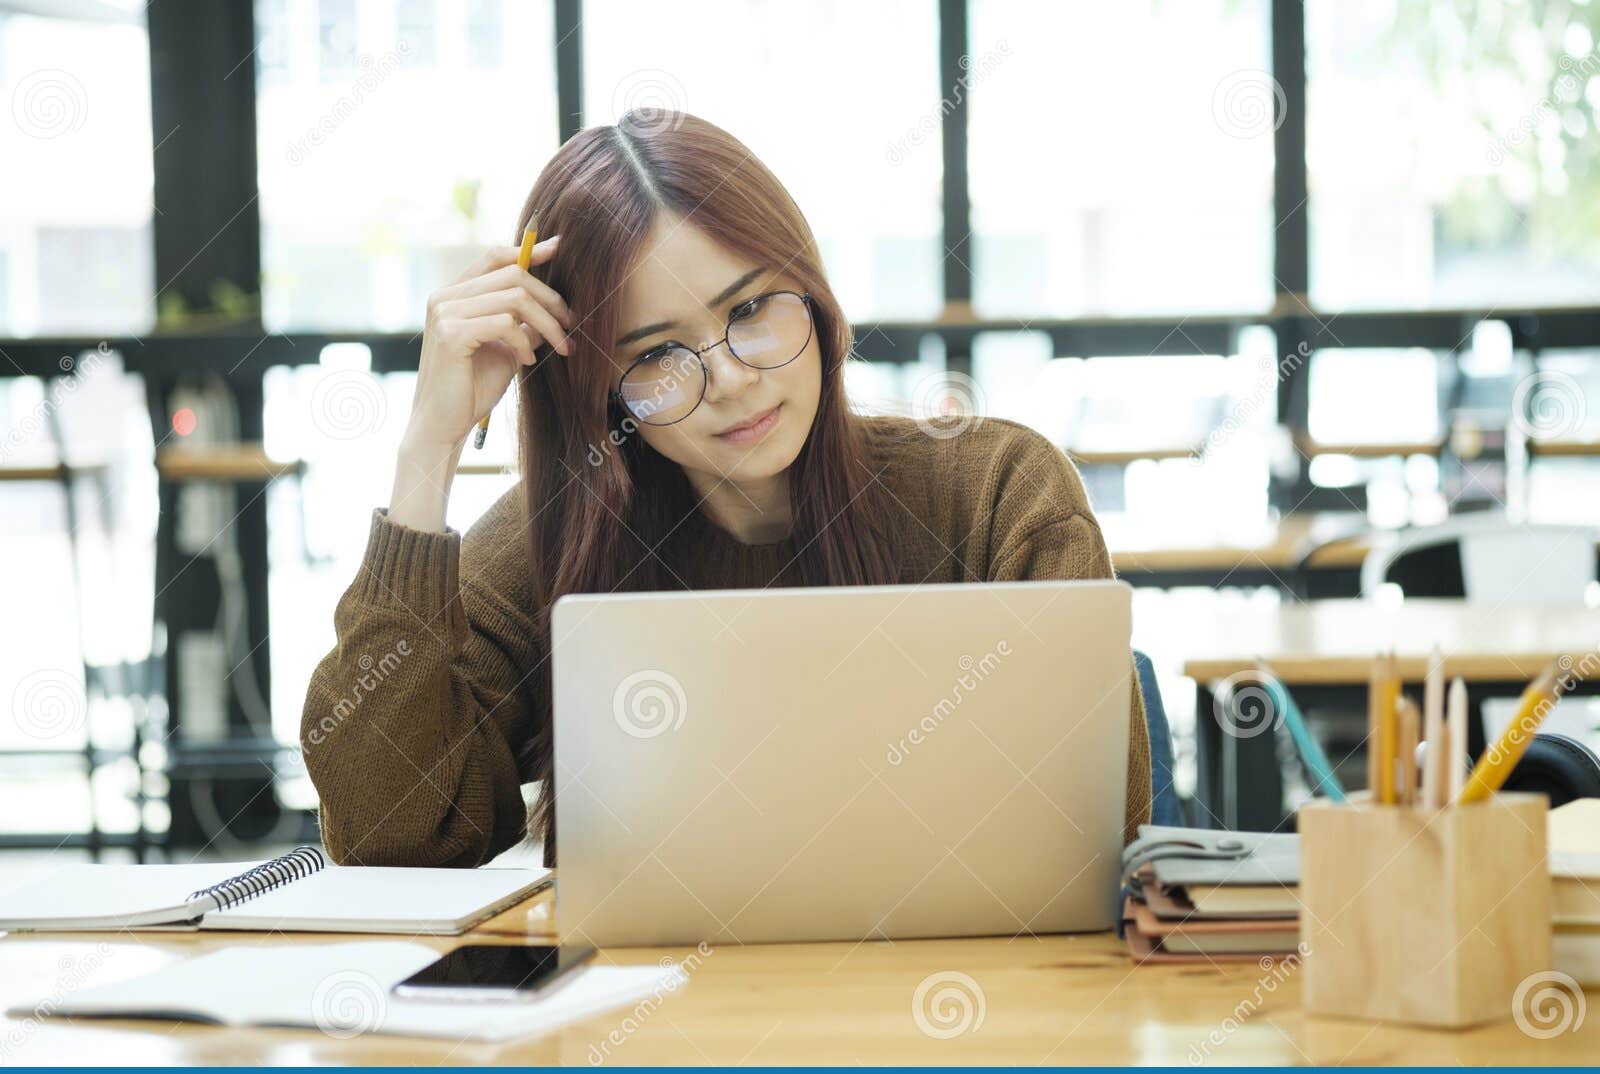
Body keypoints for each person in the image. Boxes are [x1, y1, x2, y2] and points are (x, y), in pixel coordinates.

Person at [301, 111, 1150, 869]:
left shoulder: (997, 491)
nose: (733, 379)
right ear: (597, 390)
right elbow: (393, 831)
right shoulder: (554, 539)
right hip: (654, 1027)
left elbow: (1092, 842)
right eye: (657, 355)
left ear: (814, 297)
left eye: (750, 311)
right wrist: (428, 450)